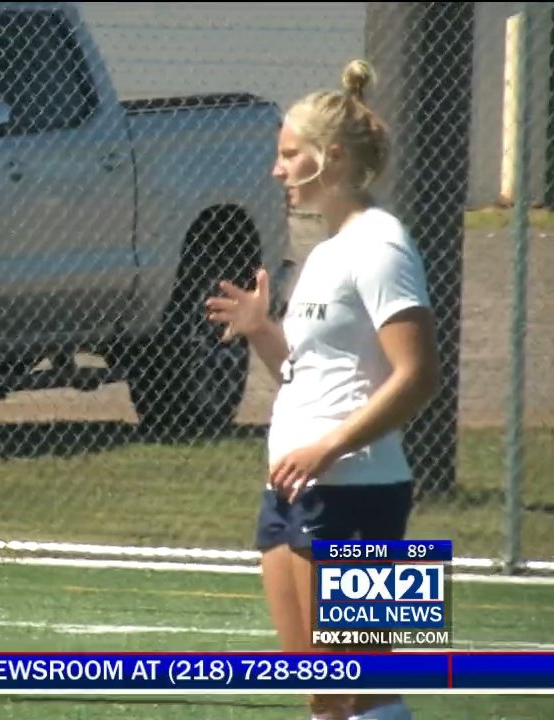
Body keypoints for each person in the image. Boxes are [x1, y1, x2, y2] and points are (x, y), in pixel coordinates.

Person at [204, 60, 439, 720]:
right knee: (322, 694)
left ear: (330, 157)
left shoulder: (382, 244)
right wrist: (261, 331)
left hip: (358, 492)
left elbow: (418, 376)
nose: (277, 171)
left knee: (363, 692)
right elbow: (309, 377)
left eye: (288, 155)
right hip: (293, 489)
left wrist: (329, 448)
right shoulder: (327, 250)